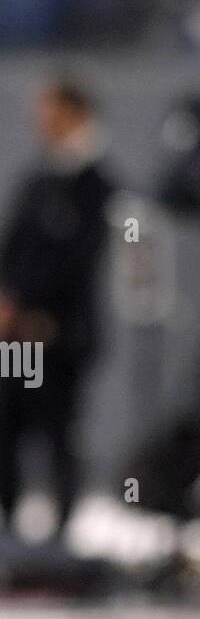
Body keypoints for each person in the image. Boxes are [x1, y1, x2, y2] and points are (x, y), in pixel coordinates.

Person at [0, 80, 113, 536]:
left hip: (60, 336)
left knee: (59, 429)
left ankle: (62, 530)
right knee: (8, 424)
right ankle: (9, 523)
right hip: (18, 336)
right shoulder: (37, 181)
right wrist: (9, 303)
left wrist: (35, 304)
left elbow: (77, 259)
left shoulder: (97, 187)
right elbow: (14, 250)